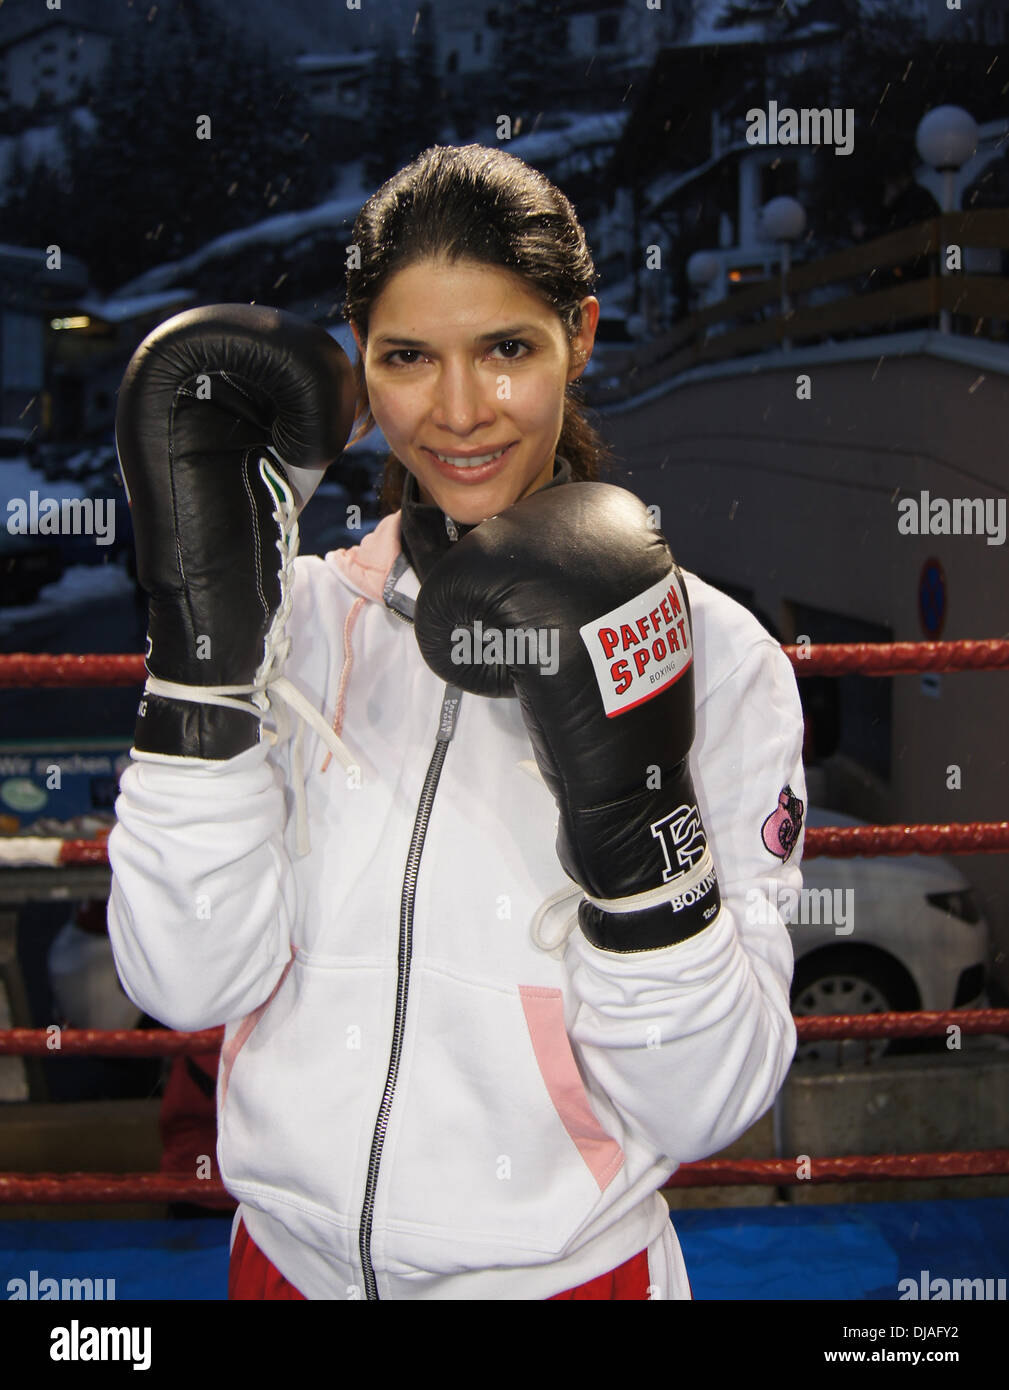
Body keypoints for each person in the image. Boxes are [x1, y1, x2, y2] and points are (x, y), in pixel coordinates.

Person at [106, 144, 806, 1301]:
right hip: (284, 1271)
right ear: (361, 362)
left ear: (580, 336)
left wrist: (638, 832)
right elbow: (183, 983)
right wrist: (203, 658)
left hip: (564, 1280)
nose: (461, 410)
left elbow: (708, 1104)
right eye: (409, 358)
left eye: (508, 349)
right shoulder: (304, 621)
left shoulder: (717, 659)